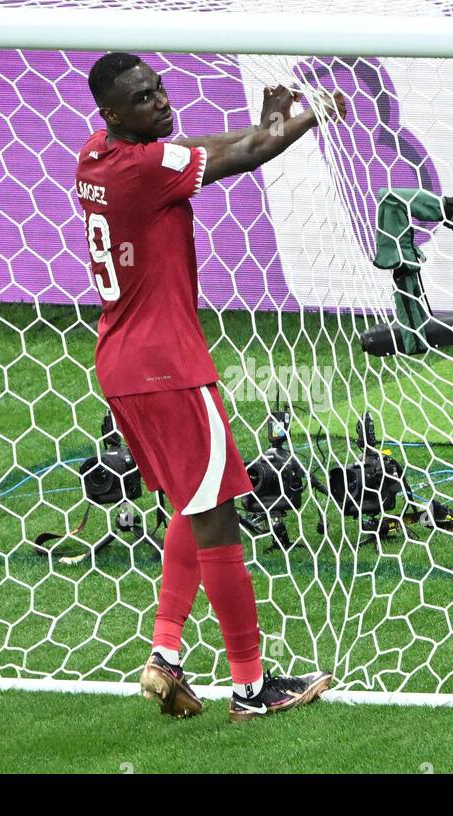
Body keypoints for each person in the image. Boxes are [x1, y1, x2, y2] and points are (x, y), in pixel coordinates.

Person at [75, 52, 346, 721]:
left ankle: (165, 654)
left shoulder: (98, 157)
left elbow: (194, 147)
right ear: (113, 112)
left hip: (123, 362)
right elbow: (249, 154)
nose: (160, 103)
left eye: (159, 89)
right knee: (220, 516)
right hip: (169, 367)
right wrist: (310, 118)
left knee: (195, 505)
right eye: (142, 99)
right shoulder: (146, 172)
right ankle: (253, 686)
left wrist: (267, 122)